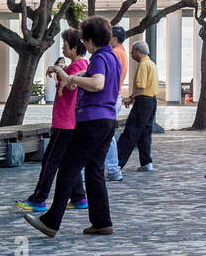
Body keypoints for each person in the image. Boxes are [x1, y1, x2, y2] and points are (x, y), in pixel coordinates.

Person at [23, 16, 122, 237]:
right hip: (107, 120)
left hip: (91, 120)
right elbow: (95, 76)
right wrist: (74, 75)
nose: (84, 45)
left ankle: (51, 220)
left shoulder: (98, 57)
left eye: (85, 40)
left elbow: (97, 83)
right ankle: (101, 221)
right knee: (95, 170)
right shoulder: (112, 57)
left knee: (68, 168)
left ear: (90, 39)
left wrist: (74, 80)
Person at [15, 28, 88, 213]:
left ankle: (38, 199)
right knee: (67, 160)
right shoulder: (79, 66)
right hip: (70, 121)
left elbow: (71, 84)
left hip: (65, 122)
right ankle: (79, 197)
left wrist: (58, 69)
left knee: (50, 160)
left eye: (65, 46)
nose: (63, 49)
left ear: (73, 47)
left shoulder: (75, 68)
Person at [115, 40, 158, 172]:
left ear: (139, 52)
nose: (131, 53)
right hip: (151, 101)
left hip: (143, 101)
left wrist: (131, 98)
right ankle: (146, 162)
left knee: (130, 132)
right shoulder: (151, 64)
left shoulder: (143, 65)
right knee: (145, 132)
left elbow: (141, 86)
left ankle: (117, 163)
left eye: (133, 51)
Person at [103, 24, 131, 182]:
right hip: (115, 97)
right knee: (107, 134)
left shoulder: (114, 53)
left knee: (107, 134)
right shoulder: (122, 52)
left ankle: (113, 168)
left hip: (111, 98)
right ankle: (112, 168)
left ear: (114, 38)